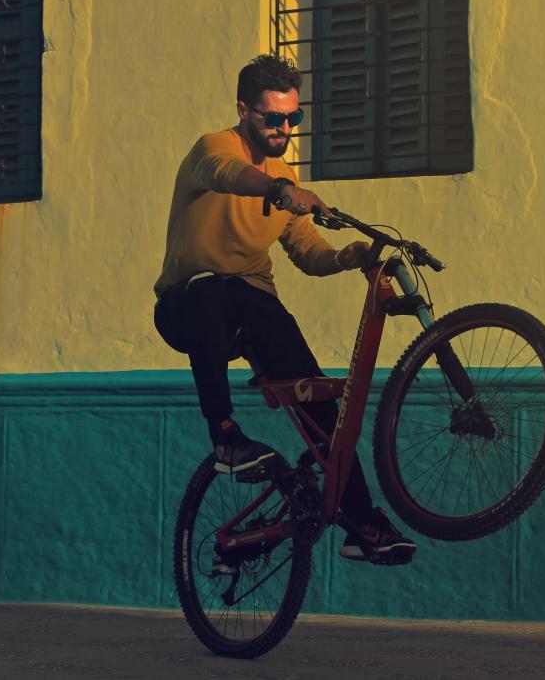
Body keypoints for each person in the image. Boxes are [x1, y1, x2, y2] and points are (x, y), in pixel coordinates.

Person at [153, 54, 416, 564]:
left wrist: (347, 256)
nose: (284, 129)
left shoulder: (285, 175)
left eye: (293, 119)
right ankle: (225, 436)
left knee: (320, 400)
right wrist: (280, 190)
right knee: (213, 288)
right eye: (272, 119)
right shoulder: (214, 149)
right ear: (244, 110)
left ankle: (362, 523)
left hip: (252, 310)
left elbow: (307, 254)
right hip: (187, 307)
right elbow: (225, 174)